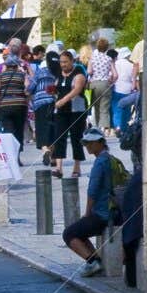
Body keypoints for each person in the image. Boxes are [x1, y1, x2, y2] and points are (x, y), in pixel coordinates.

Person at [62, 125, 113, 276]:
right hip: (113, 210)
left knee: (69, 234)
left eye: (91, 143)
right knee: (80, 231)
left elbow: (93, 192)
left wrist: (87, 213)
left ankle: (92, 262)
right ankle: (96, 260)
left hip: (103, 213)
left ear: (101, 142)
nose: (87, 146)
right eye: (86, 143)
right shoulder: (110, 159)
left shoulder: (100, 163)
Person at [49, 48, 87, 177]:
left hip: (77, 109)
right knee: (59, 136)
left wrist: (64, 100)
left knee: (77, 137)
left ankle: (77, 168)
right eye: (61, 62)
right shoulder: (59, 75)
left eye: (65, 62)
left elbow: (77, 90)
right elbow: (56, 88)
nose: (63, 64)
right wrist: (52, 92)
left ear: (72, 61)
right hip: (62, 110)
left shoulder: (79, 74)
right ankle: (59, 168)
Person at [0, 51, 27, 153]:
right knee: (19, 131)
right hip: (20, 105)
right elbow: (27, 88)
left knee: (8, 132)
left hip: (5, 106)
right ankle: (17, 155)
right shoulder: (22, 75)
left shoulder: (1, 75)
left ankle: (10, 154)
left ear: (6, 65)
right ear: (17, 65)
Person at [88, 37, 116, 133]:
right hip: (105, 83)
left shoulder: (92, 58)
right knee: (105, 108)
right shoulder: (109, 59)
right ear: (107, 47)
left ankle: (98, 128)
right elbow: (115, 75)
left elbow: (89, 71)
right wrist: (111, 81)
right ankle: (104, 128)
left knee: (96, 106)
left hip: (94, 83)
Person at [113, 45, 136, 131]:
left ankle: (117, 126)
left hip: (116, 88)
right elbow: (133, 78)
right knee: (126, 110)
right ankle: (124, 128)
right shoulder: (131, 65)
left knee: (116, 109)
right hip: (128, 89)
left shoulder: (115, 64)